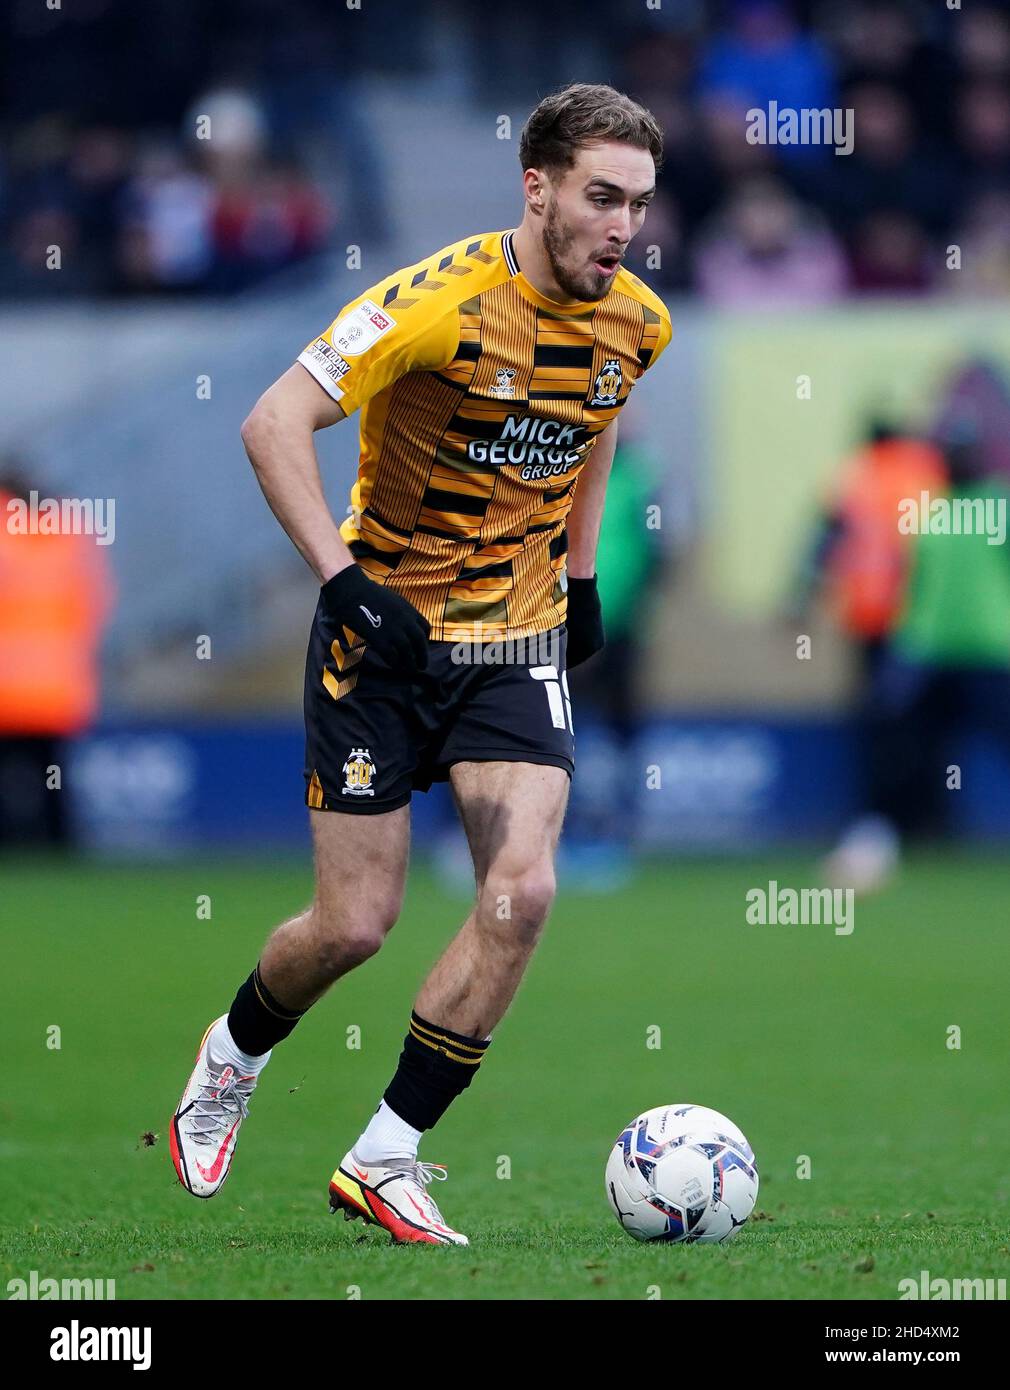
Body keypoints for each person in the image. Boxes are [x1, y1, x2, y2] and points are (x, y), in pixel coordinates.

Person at [170, 83, 673, 1246]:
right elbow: (270, 422)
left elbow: (595, 423)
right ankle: (234, 1053)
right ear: (535, 187)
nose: (620, 227)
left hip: (514, 635)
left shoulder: (636, 321)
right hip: (379, 641)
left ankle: (386, 1154)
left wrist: (583, 578)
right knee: (352, 924)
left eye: (638, 205)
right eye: (601, 198)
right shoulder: (434, 303)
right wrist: (342, 580)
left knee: (525, 886)